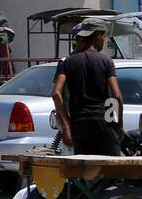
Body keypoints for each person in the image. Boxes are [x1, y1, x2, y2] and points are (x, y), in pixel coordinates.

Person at [52, 18, 124, 156]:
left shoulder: (67, 62)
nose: (104, 41)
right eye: (104, 37)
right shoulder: (106, 61)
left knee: (85, 171)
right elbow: (117, 96)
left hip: (79, 125)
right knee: (112, 170)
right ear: (97, 36)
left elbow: (56, 94)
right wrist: (120, 124)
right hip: (104, 121)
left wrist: (67, 125)